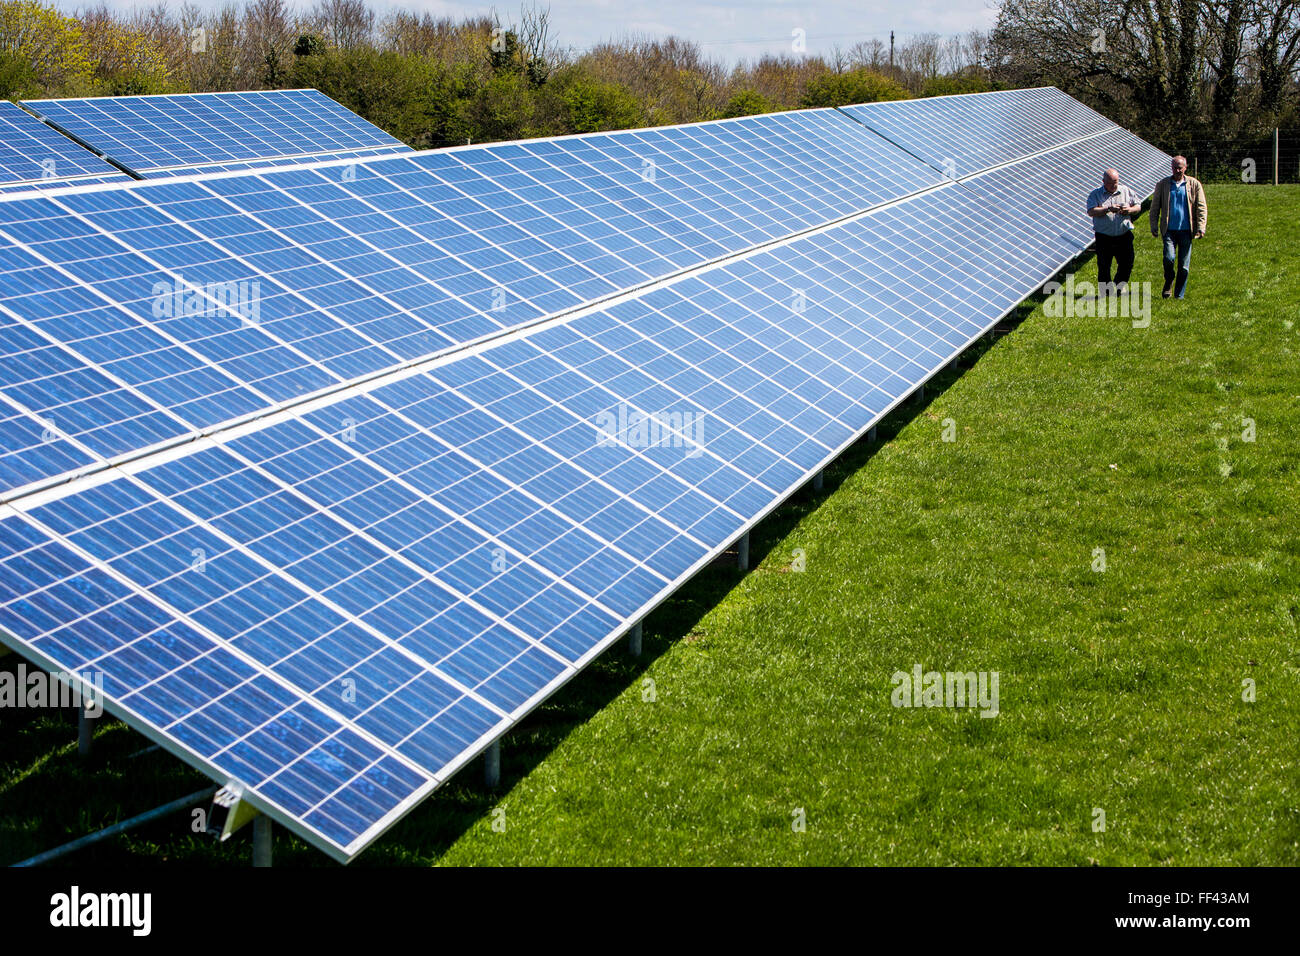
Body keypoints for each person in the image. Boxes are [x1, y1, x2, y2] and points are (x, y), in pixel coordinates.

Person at [1148, 155, 1208, 299]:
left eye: (1180, 167)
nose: (1177, 170)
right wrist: (1154, 225)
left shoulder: (1194, 184)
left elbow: (1201, 207)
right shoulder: (1163, 184)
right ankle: (1169, 280)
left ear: (1185, 167)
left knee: (1184, 266)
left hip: (1186, 230)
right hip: (1169, 230)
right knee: (1169, 258)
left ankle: (1179, 295)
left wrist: (1201, 227)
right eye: (1175, 167)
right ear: (1171, 168)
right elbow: (1155, 207)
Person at [1086, 168, 1141, 294]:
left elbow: (1138, 205)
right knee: (1104, 265)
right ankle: (1105, 292)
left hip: (1123, 235)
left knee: (1127, 263)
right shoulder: (1096, 194)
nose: (1113, 185)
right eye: (1110, 183)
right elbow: (1091, 211)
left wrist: (1130, 210)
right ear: (1103, 181)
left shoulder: (1126, 190)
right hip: (1104, 236)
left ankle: (1119, 284)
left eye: (1115, 182)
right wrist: (1107, 209)